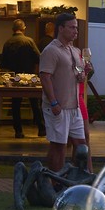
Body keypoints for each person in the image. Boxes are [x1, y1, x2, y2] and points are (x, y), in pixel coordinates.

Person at [38, 12, 87, 174]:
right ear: (61, 28)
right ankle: (54, 181)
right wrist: (53, 102)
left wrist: (83, 74)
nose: (75, 31)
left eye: (76, 28)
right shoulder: (51, 50)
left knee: (81, 145)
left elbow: (79, 74)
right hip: (58, 106)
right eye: (72, 27)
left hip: (74, 106)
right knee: (59, 146)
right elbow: (45, 77)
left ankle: (74, 177)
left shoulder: (74, 50)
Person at [0, 18, 44, 138]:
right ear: (24, 28)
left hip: (14, 77)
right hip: (29, 76)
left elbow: (3, 62)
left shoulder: (8, 42)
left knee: (15, 104)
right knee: (35, 103)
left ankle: (18, 131)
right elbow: (39, 57)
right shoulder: (29, 41)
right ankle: (41, 129)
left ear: (13, 29)